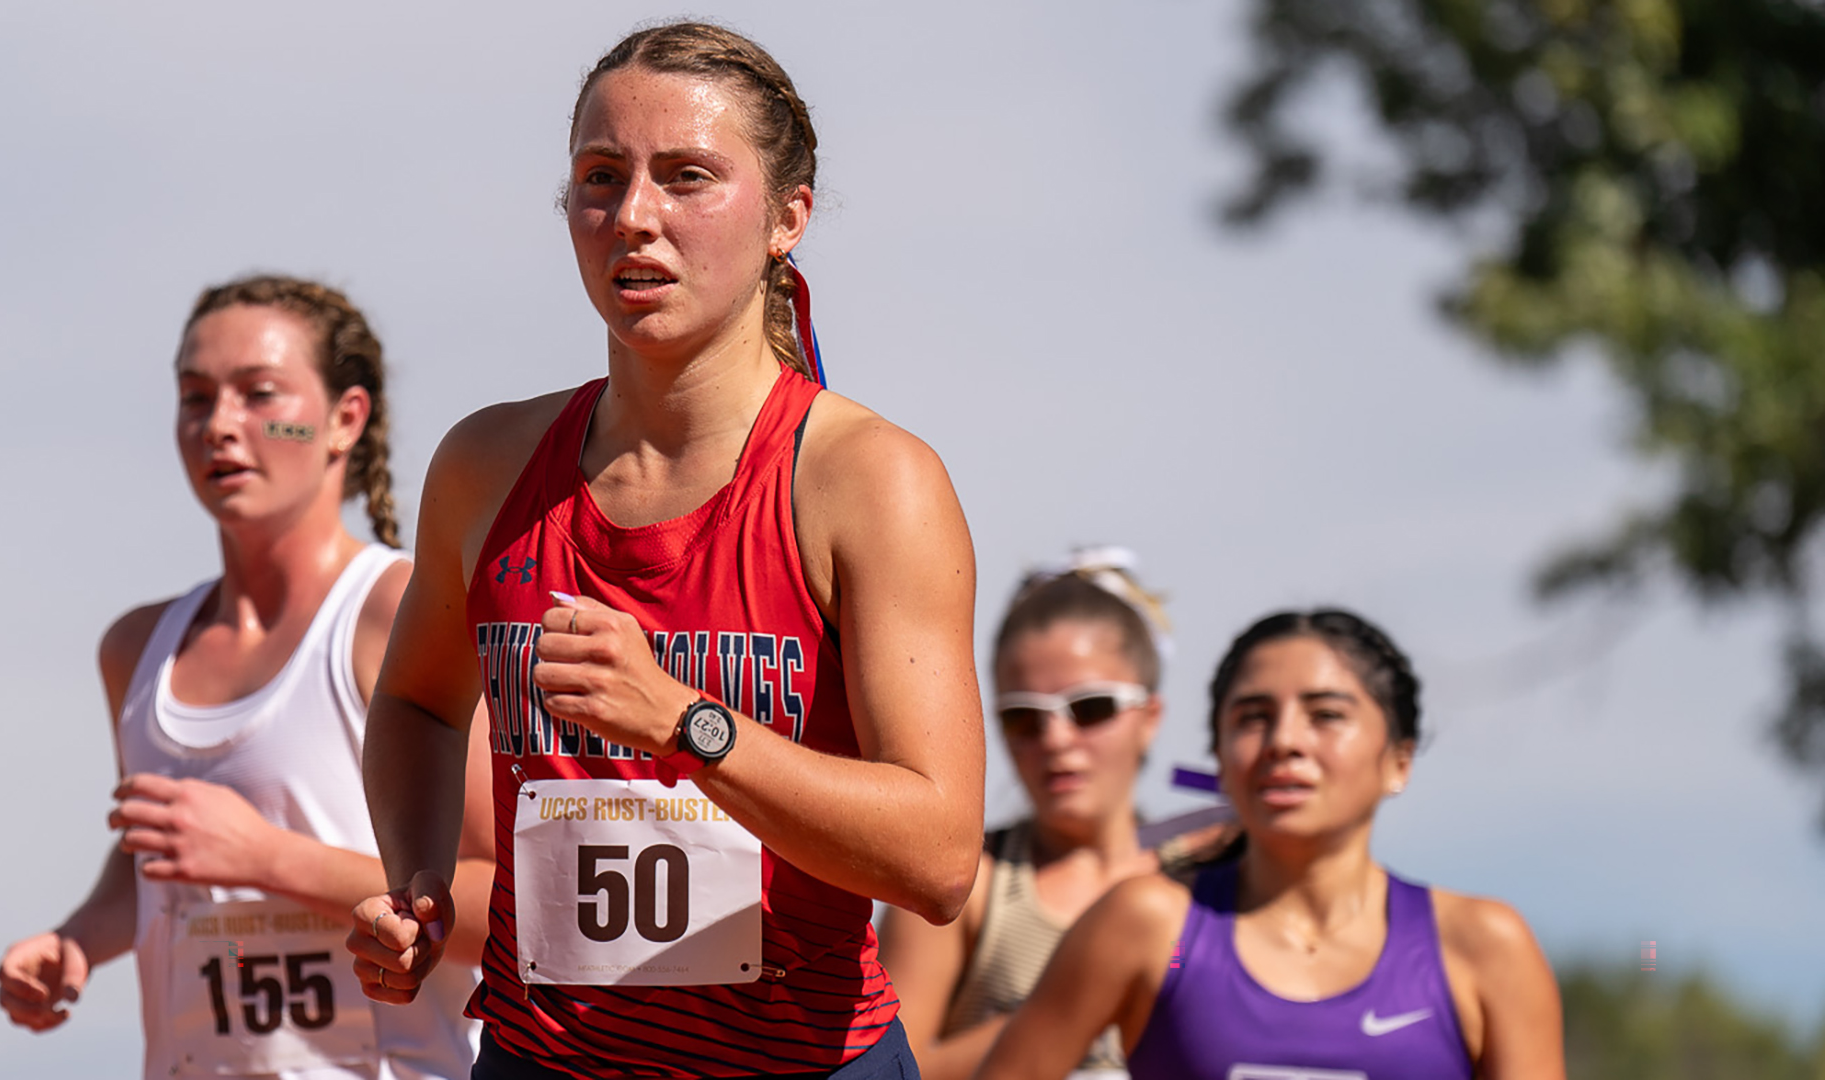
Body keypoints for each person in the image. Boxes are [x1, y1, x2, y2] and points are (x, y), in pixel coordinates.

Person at [345, 20, 985, 1080]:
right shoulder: (486, 465)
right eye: (601, 178)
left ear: (790, 217)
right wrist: (415, 879)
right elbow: (415, 704)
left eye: (687, 177)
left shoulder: (868, 480)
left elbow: (940, 858)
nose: (634, 217)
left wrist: (683, 722)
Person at [0, 275, 494, 1080]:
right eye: (195, 398)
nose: (220, 425)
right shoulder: (136, 647)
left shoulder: (397, 611)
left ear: (344, 419)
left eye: (261, 395)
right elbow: (155, 862)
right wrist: (76, 941)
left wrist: (270, 859)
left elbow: (508, 902)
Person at [974, 609, 1566, 1080]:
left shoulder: (1483, 947)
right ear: (1221, 762)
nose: (1284, 740)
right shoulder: (1149, 926)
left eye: (1326, 714)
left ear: (1399, 761)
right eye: (1253, 717)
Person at [880, 550, 1226, 1080]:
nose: (1057, 740)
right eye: (1024, 719)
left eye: (1091, 708)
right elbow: (895, 1069)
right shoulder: (960, 881)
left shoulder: (1213, 876)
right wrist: (1075, 1005)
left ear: (1150, 717)